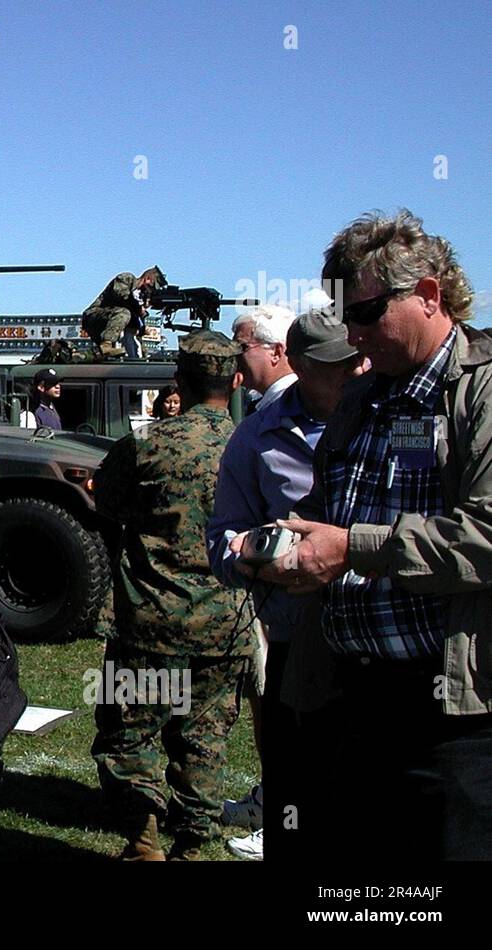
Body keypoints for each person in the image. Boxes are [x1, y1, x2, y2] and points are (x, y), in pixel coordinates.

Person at [241, 208, 492, 860]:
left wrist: (354, 548)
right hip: (347, 697)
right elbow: (331, 510)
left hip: (454, 716)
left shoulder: (482, 392)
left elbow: (485, 534)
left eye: (367, 313)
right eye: (343, 316)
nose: (352, 334)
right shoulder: (363, 396)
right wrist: (286, 542)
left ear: (430, 296)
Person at [206, 308, 366, 861]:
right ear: (297, 364)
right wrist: (260, 560)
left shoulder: (384, 415)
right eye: (335, 365)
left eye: (354, 358)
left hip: (382, 644)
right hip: (300, 646)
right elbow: (221, 539)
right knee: (298, 794)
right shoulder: (255, 437)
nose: (353, 370)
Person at [90, 330, 252, 861]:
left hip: (151, 621)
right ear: (234, 381)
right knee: (204, 738)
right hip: (227, 624)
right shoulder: (252, 446)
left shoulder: (147, 444)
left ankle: (143, 842)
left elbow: (108, 505)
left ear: (178, 380)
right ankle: (192, 846)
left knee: (130, 734)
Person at [81, 266, 166, 360]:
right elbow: (121, 295)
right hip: (94, 315)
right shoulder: (127, 278)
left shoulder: (137, 297)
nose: (150, 291)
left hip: (107, 322)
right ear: (147, 279)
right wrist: (138, 308)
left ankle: (85, 355)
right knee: (124, 314)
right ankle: (106, 346)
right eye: (152, 287)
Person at [231, 304, 297, 412]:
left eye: (242, 347)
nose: (234, 355)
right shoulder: (276, 403)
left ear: (275, 352)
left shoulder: (291, 406)